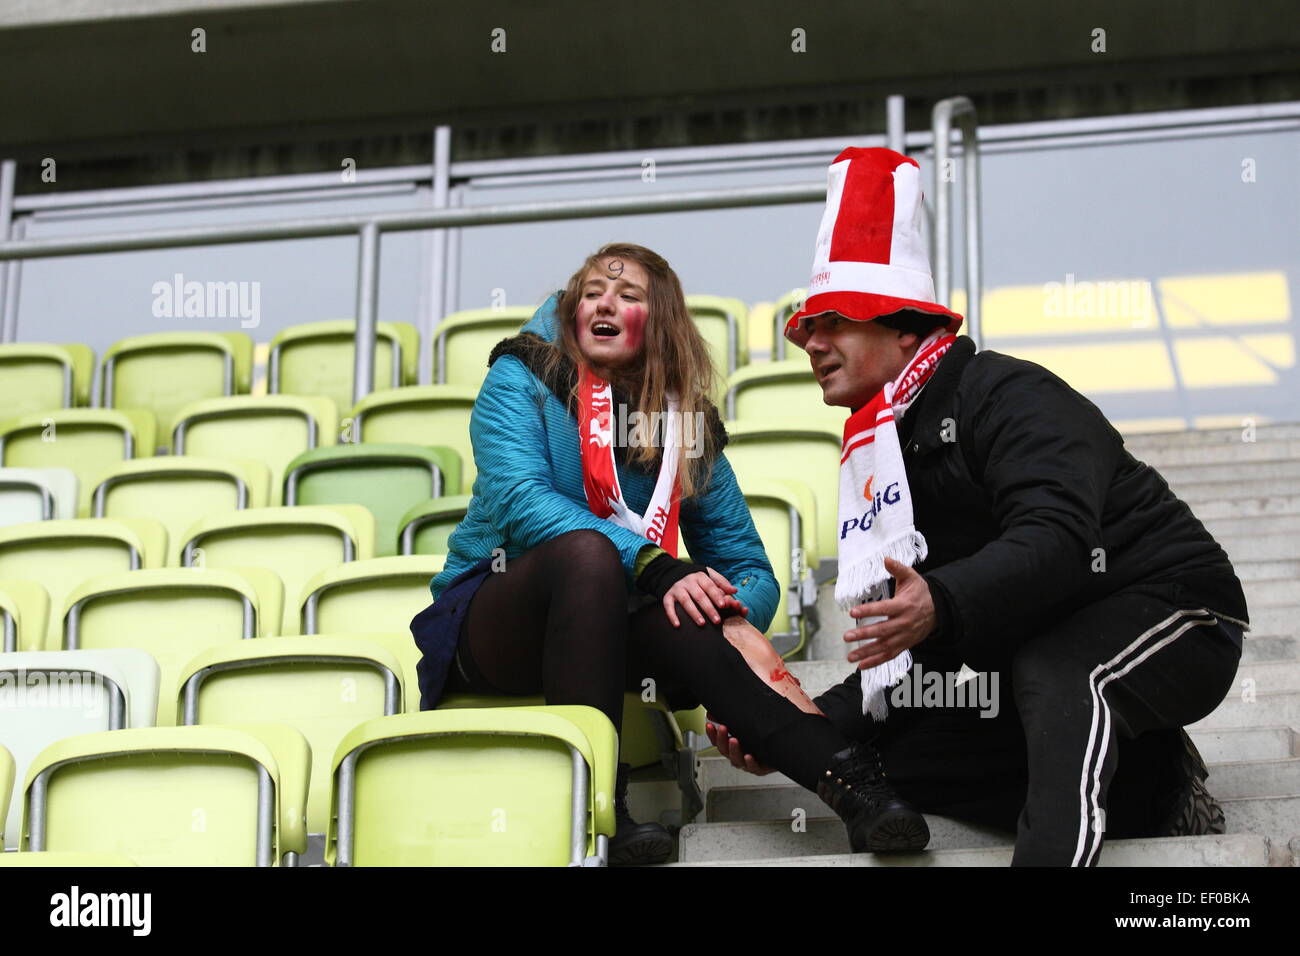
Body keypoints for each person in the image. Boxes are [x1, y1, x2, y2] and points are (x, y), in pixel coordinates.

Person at [708, 147, 1250, 866]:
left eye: (835, 321)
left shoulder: (1008, 394)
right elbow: (912, 663)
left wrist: (939, 598)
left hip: (1174, 609)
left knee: (1059, 671)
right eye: (808, 327)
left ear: (905, 330)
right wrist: (798, 729)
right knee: (892, 752)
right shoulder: (884, 455)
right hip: (1032, 645)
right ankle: (1158, 787)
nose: (813, 342)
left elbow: (1058, 539)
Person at [410, 242, 930, 867]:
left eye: (629, 297)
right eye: (593, 295)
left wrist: (731, 612)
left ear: (658, 324)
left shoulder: (682, 421)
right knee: (586, 556)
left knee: (693, 613)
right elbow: (521, 502)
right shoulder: (517, 378)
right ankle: (605, 808)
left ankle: (855, 788)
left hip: (616, 624)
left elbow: (749, 568)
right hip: (498, 623)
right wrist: (656, 567)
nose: (605, 304)